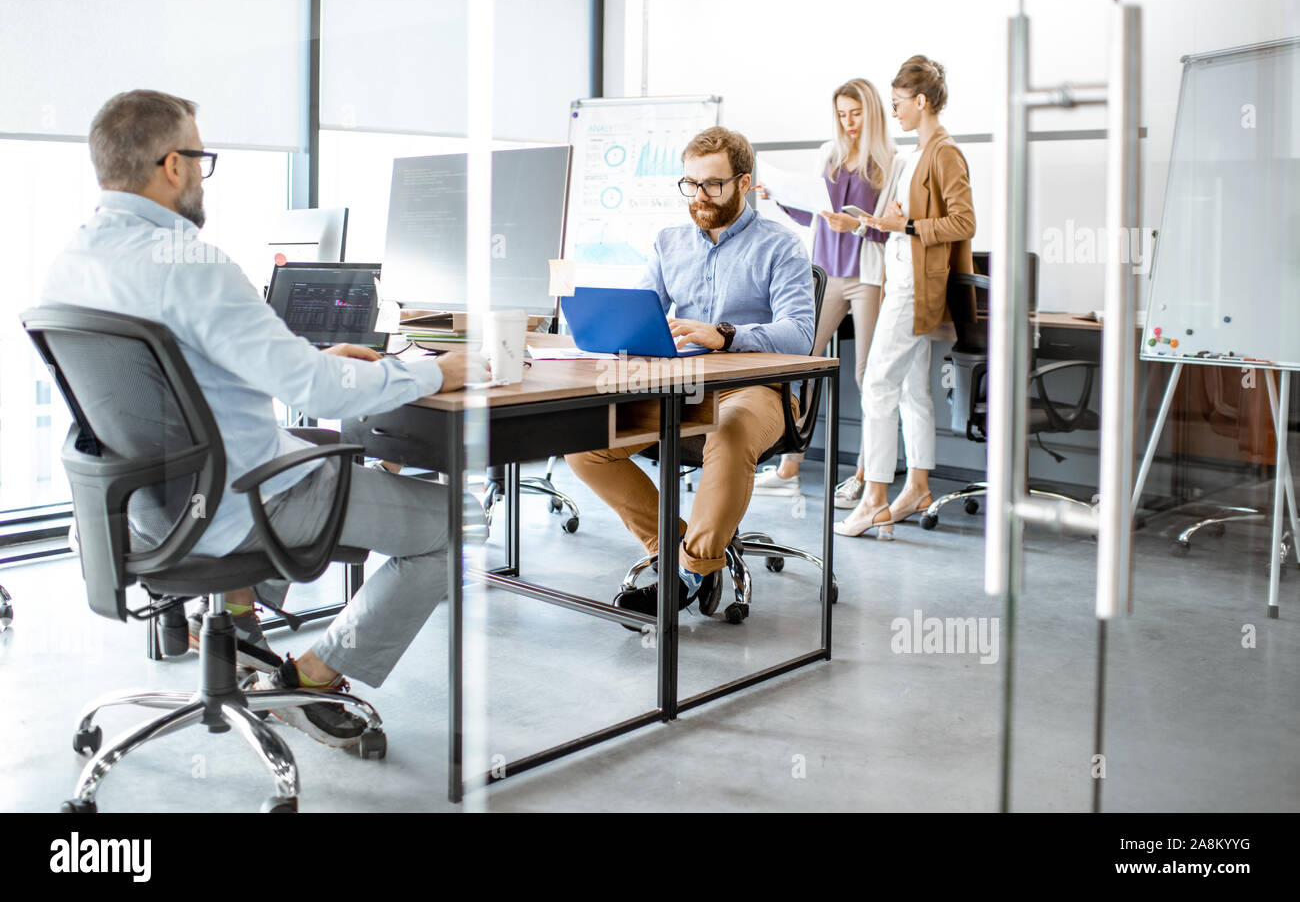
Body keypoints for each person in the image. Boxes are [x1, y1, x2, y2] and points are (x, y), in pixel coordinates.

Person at [42, 89, 488, 748]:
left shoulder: (69, 263)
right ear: (172, 165)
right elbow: (318, 391)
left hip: (140, 508)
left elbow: (185, 380)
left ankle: (242, 627)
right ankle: (312, 676)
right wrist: (432, 370)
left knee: (282, 440)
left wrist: (303, 355)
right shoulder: (193, 265)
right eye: (200, 157)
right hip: (236, 504)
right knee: (462, 523)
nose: (201, 174)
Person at [565, 126, 815, 619]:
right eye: (690, 184)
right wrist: (617, 332)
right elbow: (645, 312)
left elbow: (800, 333)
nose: (699, 196)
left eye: (713, 185)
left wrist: (725, 335)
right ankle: (672, 546)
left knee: (729, 428)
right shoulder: (668, 242)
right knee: (585, 445)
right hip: (682, 384)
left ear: (744, 183)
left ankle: (689, 574)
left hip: (756, 387)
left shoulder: (781, 246)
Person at [833, 56, 975, 539]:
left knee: (876, 385)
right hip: (901, 278)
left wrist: (906, 225)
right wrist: (867, 222)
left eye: (897, 104)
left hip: (916, 288)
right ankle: (916, 487)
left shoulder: (944, 152)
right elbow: (898, 227)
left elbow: (963, 222)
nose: (893, 112)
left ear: (921, 101)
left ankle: (874, 496)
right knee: (913, 391)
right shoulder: (913, 155)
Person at [752, 78, 894, 506]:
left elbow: (890, 229)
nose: (849, 122)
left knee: (867, 375)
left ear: (870, 112)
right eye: (842, 114)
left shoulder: (889, 162)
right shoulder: (828, 155)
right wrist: (776, 198)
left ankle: (866, 476)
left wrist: (861, 225)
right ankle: (789, 467)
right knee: (801, 360)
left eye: (856, 113)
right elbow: (814, 210)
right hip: (828, 273)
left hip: (868, 276)